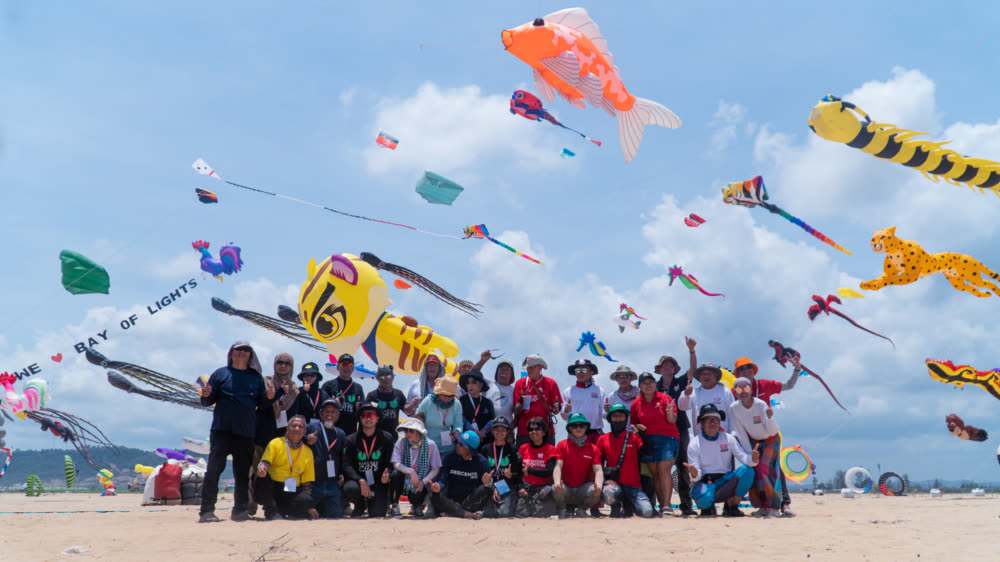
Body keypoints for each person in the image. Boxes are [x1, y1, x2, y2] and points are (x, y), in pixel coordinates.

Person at [199, 340, 275, 523]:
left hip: (246, 432)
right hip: (221, 431)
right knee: (214, 470)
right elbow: (206, 402)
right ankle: (206, 511)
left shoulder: (256, 377)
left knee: (242, 474)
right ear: (231, 353)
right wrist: (206, 394)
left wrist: (271, 398)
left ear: (250, 355)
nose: (242, 352)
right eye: (238, 349)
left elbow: (262, 405)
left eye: (246, 350)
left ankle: (239, 511)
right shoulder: (220, 374)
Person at [731, 355, 800, 517]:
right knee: (760, 469)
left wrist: (796, 369)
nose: (746, 370)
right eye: (741, 369)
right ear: (737, 374)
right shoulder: (736, 392)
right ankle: (765, 505)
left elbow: (789, 385)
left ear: (753, 370)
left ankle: (783, 504)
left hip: (770, 431)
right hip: (751, 437)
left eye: (748, 367)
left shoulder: (764, 385)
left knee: (772, 468)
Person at [684, 404, 759, 517]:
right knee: (704, 500)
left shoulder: (729, 439)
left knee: (748, 470)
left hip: (725, 481)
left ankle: (732, 506)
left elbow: (743, 458)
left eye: (715, 419)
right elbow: (697, 476)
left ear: (720, 423)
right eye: (708, 420)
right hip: (706, 483)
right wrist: (694, 474)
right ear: (702, 424)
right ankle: (708, 508)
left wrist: (753, 459)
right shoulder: (694, 443)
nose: (712, 423)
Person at [249, 352, 299, 516]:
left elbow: (295, 415)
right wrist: (275, 395)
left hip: (283, 440)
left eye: (287, 363)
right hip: (263, 436)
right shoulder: (265, 382)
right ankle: (250, 504)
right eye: (280, 362)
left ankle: (274, 506)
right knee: (258, 471)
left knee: (277, 474)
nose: (283, 365)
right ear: (274, 364)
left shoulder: (295, 390)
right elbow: (261, 404)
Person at [654, 337, 699, 517]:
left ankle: (686, 506)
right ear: (659, 369)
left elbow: (693, 370)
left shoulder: (680, 382)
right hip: (661, 431)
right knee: (660, 468)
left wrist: (691, 350)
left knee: (682, 467)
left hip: (680, 428)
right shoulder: (654, 386)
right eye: (664, 365)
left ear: (674, 368)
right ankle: (663, 505)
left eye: (670, 365)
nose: (667, 367)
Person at [730, 377, 782, 517]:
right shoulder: (734, 407)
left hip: (770, 439)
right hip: (754, 442)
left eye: (746, 387)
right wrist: (749, 454)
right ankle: (763, 506)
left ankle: (774, 507)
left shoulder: (760, 404)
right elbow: (740, 431)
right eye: (739, 388)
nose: (743, 391)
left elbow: (771, 431)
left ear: (751, 389)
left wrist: (770, 418)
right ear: (735, 391)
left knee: (766, 469)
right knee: (756, 471)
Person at [630, 372, 679, 516]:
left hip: (667, 438)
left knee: (664, 469)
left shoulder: (665, 398)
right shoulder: (636, 403)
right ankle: (662, 505)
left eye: (651, 382)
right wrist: (638, 430)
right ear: (639, 386)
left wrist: (669, 413)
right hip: (648, 440)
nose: (648, 385)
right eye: (644, 383)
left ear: (655, 384)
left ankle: (667, 506)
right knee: (655, 474)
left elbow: (672, 420)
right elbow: (633, 424)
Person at [254, 415, 318, 520]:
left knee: (307, 500)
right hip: (273, 487)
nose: (297, 429)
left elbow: (307, 483)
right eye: (293, 426)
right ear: (287, 429)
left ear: (305, 431)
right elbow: (265, 462)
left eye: (300, 427)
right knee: (259, 477)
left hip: (292, 489)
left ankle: (285, 511)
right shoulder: (275, 443)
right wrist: (262, 468)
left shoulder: (308, 451)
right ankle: (271, 511)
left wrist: (308, 506)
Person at [597, 403, 654, 518]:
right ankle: (616, 505)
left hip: (634, 486)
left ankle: (629, 505)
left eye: (621, 416)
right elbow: (597, 463)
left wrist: (643, 435)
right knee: (609, 493)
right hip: (614, 485)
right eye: (614, 416)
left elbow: (648, 452)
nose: (618, 419)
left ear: (626, 418)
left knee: (647, 512)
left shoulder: (634, 437)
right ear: (610, 419)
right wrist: (604, 481)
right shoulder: (603, 439)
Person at [343, 402, 395, 518]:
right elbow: (346, 465)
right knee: (349, 488)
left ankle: (383, 503)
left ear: (377, 419)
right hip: (359, 482)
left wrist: (388, 474)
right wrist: (360, 480)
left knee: (377, 514)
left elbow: (391, 462)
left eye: (371, 416)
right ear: (360, 419)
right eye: (364, 416)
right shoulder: (351, 439)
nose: (368, 419)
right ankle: (360, 504)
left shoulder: (387, 438)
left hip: (378, 482)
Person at [430, 430, 492, 519]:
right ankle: (467, 514)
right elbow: (442, 480)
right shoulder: (450, 458)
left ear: (469, 449)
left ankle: (454, 512)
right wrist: (437, 486)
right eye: (458, 442)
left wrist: (487, 482)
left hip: (470, 501)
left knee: (484, 488)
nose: (457, 445)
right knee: (435, 494)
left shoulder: (482, 462)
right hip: (452, 500)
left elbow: (487, 487)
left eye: (461, 444)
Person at [553, 413, 604, 519]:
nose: (578, 428)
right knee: (554, 488)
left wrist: (598, 485)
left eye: (581, 425)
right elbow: (558, 466)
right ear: (569, 428)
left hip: (582, 490)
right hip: (565, 489)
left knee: (596, 491)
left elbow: (598, 470)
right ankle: (563, 510)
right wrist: (557, 483)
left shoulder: (593, 448)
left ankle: (582, 510)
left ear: (586, 427)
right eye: (574, 426)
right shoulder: (562, 445)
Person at [389, 417, 441, 518]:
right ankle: (395, 506)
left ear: (418, 432)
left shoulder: (431, 444)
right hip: (405, 478)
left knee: (418, 494)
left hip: (421, 481)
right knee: (395, 474)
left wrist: (423, 481)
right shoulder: (401, 442)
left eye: (411, 431)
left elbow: (436, 468)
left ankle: (417, 505)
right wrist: (411, 471)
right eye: (406, 430)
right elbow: (396, 463)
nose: (408, 433)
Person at [305, 399, 346, 519]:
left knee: (336, 514)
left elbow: (343, 457)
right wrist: (306, 439)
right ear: (320, 413)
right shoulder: (311, 427)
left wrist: (342, 474)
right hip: (314, 482)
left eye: (333, 412)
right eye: (326, 412)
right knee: (303, 514)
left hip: (332, 483)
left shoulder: (341, 433)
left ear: (338, 414)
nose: (329, 415)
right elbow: (294, 438)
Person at [513, 354, 562, 446]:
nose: (528, 370)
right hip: (524, 432)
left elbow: (556, 410)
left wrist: (557, 408)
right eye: (527, 367)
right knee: (522, 460)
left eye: (531, 367)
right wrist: (521, 404)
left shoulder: (551, 383)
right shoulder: (520, 384)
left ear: (540, 367)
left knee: (548, 460)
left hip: (545, 432)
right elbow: (516, 410)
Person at [479, 416, 521, 518]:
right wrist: (493, 487)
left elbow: (518, 473)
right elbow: (482, 473)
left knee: (504, 514)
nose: (499, 432)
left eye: (503, 430)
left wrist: (510, 475)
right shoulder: (485, 449)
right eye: (497, 429)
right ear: (492, 431)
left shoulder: (513, 449)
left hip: (508, 486)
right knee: (489, 514)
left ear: (507, 432)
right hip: (490, 486)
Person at [516, 417, 557, 518]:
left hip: (543, 488)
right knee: (522, 514)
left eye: (537, 429)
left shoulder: (550, 449)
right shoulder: (523, 448)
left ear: (544, 432)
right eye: (530, 429)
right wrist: (521, 488)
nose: (533, 431)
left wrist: (529, 470)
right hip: (526, 487)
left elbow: (549, 471)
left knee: (539, 514)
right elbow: (517, 471)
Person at [561, 359, 606, 446]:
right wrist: (566, 411)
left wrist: (607, 410)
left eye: (584, 370)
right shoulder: (568, 391)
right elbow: (565, 417)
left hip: (595, 433)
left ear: (591, 372)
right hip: (575, 434)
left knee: (598, 459)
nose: (580, 373)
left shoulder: (599, 390)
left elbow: (604, 415)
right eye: (577, 370)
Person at [678, 363, 733, 433]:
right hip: (701, 439)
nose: (706, 377)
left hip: (724, 438)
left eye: (709, 374)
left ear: (716, 375)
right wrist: (686, 395)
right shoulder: (694, 393)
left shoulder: (726, 392)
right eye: (703, 374)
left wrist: (733, 435)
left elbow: (733, 416)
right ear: (699, 377)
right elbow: (682, 407)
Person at [416, 376, 464, 456]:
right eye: (445, 395)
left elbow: (458, 423)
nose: (448, 399)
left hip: (448, 448)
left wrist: (457, 432)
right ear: (439, 392)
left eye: (451, 396)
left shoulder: (457, 404)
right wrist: (422, 433)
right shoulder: (427, 401)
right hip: (428, 447)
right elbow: (417, 421)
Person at [322, 353, 366, 435]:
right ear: (338, 367)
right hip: (331, 431)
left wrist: (359, 408)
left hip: (351, 432)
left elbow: (362, 412)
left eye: (349, 364)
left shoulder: (358, 388)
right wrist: (334, 402)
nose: (346, 367)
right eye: (343, 364)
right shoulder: (328, 385)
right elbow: (321, 408)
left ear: (353, 368)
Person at [366, 365, 407, 438]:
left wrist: (412, 405)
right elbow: (365, 417)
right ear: (377, 379)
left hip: (393, 437)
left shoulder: (399, 394)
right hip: (376, 438)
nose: (386, 379)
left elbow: (408, 412)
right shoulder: (371, 396)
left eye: (388, 377)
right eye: (382, 378)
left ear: (393, 377)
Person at [458, 369, 495, 442]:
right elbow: (460, 419)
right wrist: (475, 432)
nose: (470, 385)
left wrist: (483, 432)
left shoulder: (488, 402)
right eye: (468, 383)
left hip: (484, 441)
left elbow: (492, 420)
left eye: (474, 382)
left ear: (481, 385)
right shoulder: (460, 401)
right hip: (466, 441)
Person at [487, 360, 517, 424]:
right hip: (487, 431)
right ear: (497, 372)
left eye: (507, 369)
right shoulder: (488, 384)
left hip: (507, 431)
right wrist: (483, 360)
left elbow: (518, 414)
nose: (504, 371)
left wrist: (510, 429)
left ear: (512, 374)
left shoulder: (515, 390)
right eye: (501, 369)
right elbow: (474, 373)